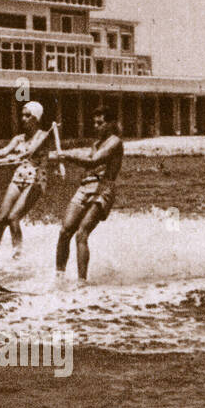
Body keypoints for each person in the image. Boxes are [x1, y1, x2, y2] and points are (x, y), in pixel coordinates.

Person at [51, 105, 124, 283]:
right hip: (86, 187)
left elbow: (93, 162)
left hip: (103, 190)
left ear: (111, 123)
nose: (96, 126)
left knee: (81, 234)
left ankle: (82, 281)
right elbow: (88, 164)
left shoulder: (115, 142)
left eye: (100, 123)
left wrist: (67, 156)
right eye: (95, 123)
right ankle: (59, 277)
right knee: (64, 231)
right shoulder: (96, 144)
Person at [0, 100, 53, 257]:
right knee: (1, 219)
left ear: (36, 118)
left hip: (35, 181)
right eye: (22, 115)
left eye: (27, 116)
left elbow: (33, 150)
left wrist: (19, 156)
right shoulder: (19, 138)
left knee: (13, 218)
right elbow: (5, 151)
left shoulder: (44, 135)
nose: (23, 118)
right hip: (18, 178)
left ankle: (17, 256)